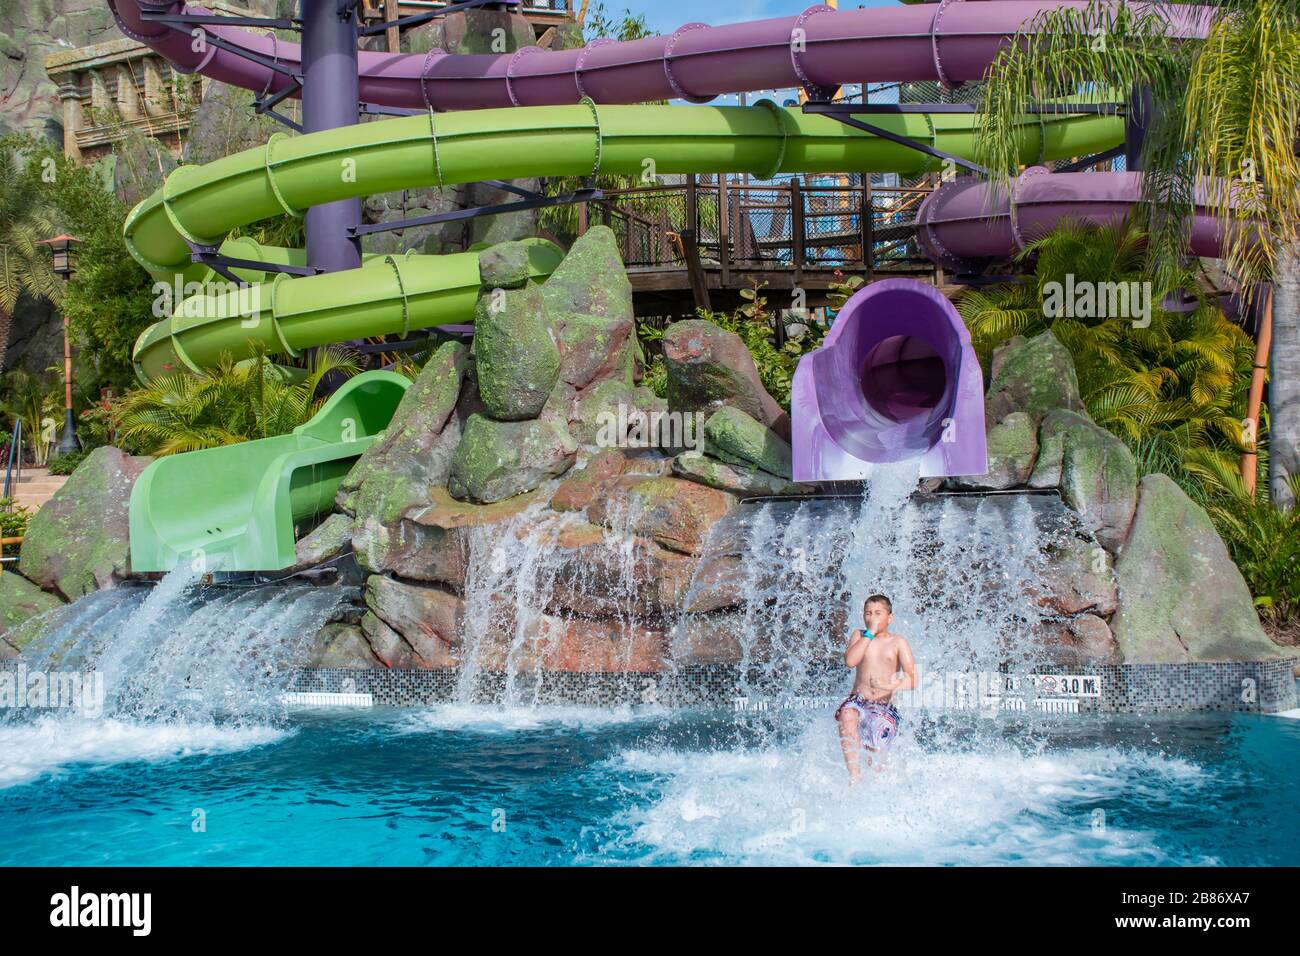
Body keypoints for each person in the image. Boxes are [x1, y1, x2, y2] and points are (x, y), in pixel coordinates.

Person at [834, 593, 917, 784]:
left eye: (878, 613)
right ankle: (854, 776)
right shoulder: (859, 635)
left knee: (876, 761)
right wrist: (869, 634)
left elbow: (912, 680)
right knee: (847, 715)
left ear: (890, 618)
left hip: (883, 707)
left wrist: (890, 685)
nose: (872, 618)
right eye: (868, 613)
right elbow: (850, 661)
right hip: (859, 701)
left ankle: (876, 789)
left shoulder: (898, 642)